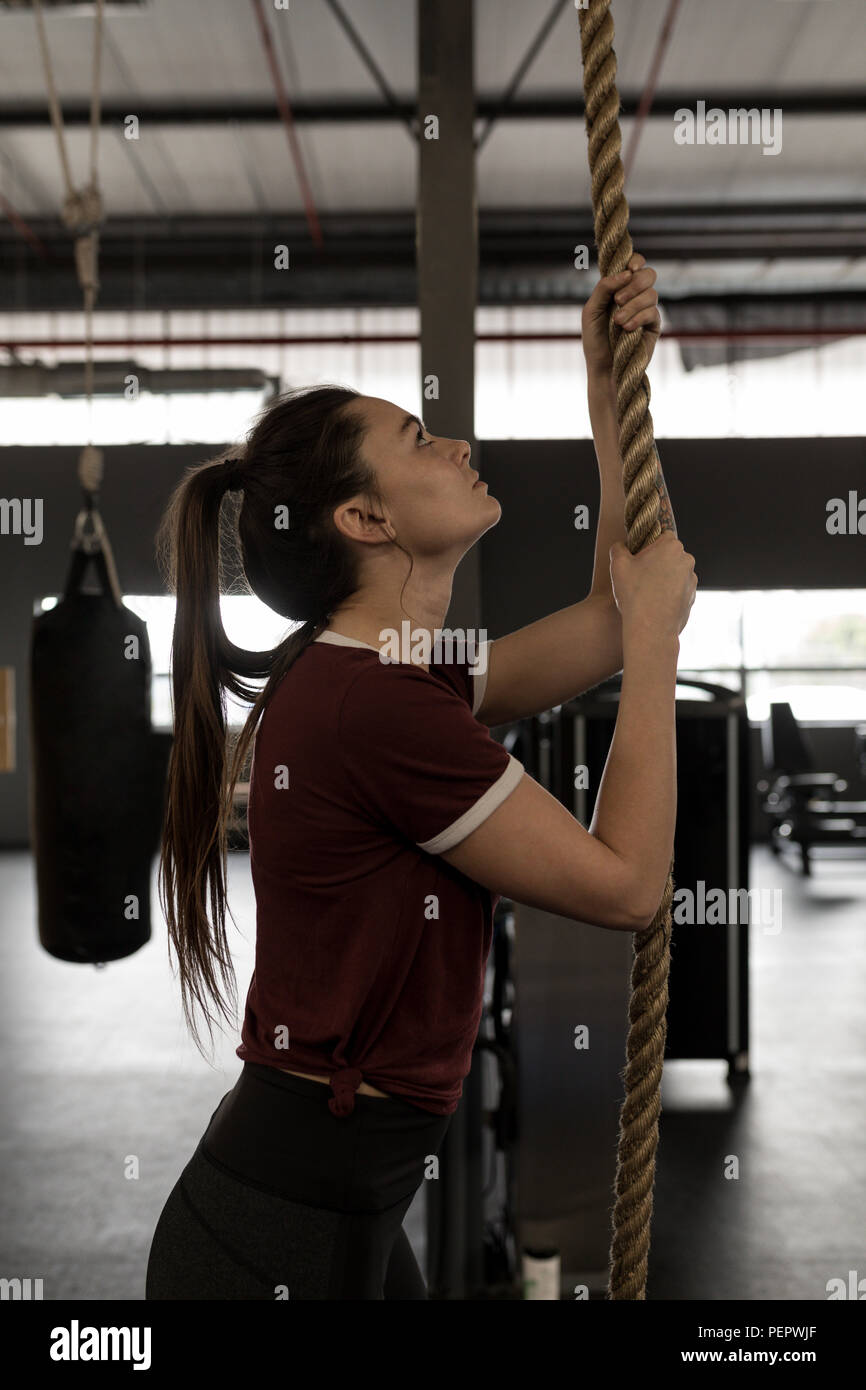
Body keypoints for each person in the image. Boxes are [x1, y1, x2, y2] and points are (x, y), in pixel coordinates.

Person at [144, 254, 697, 1300]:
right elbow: (627, 884)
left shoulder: (377, 673)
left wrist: (607, 382)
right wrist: (661, 644)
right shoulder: (376, 705)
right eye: (418, 440)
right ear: (365, 521)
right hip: (280, 1237)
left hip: (327, 1209)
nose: (457, 443)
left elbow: (601, 623)